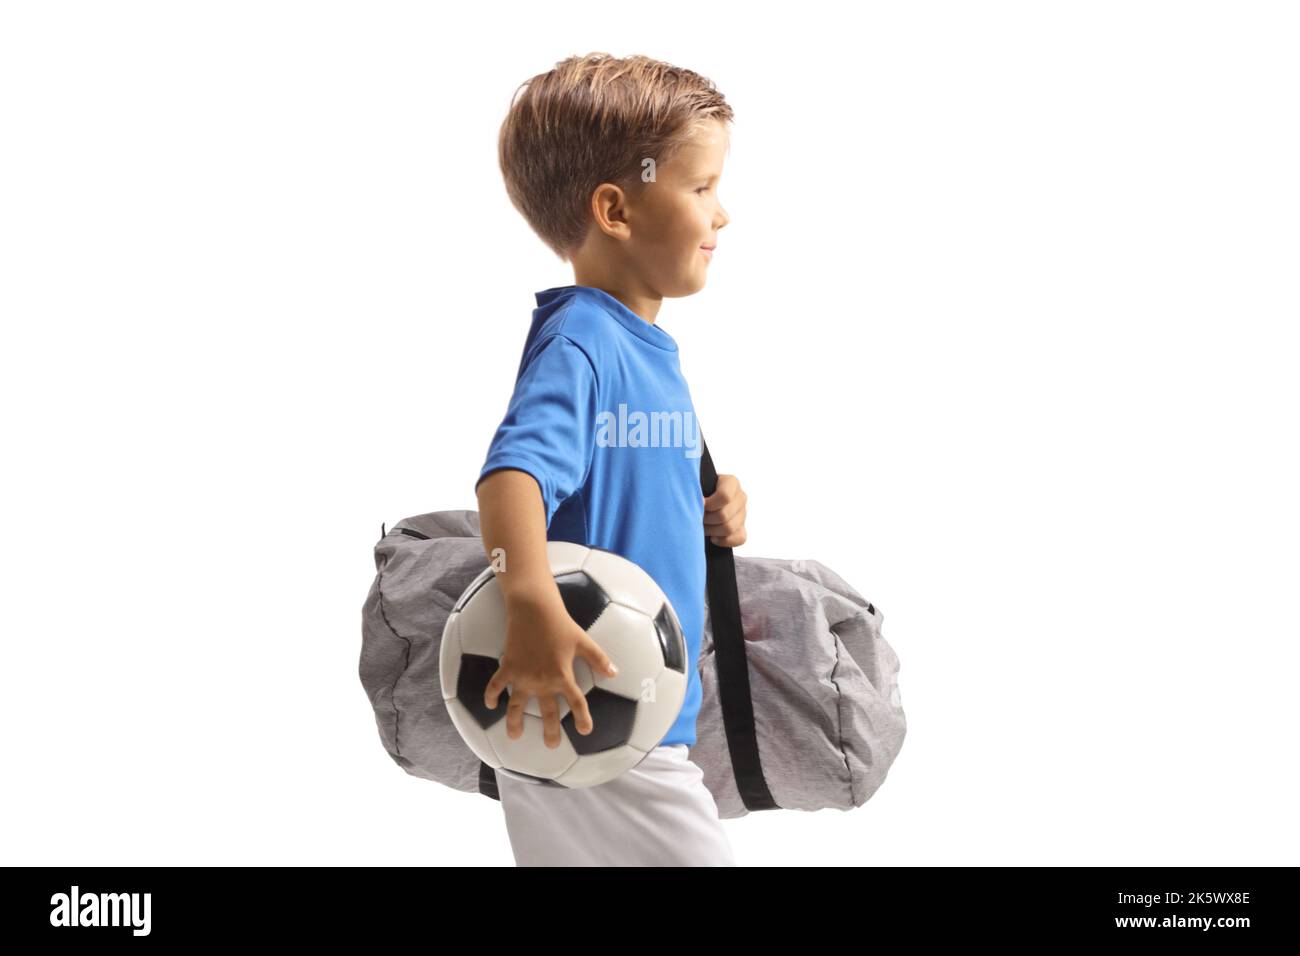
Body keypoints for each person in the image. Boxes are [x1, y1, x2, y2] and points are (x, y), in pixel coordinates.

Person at [473, 53, 748, 866]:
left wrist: (712, 499)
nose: (722, 214)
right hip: (601, 713)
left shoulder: (643, 347)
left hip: (622, 718)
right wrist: (529, 603)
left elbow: (624, 485)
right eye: (700, 189)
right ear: (615, 210)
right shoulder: (584, 341)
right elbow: (512, 475)